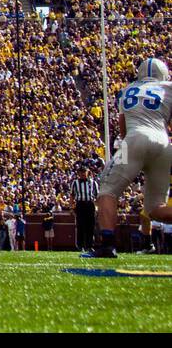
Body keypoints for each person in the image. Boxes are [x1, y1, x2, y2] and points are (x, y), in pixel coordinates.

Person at [85, 58, 172, 259]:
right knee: (155, 208)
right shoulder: (168, 88)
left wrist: (132, 155)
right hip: (164, 144)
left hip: (135, 138)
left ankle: (106, 244)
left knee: (107, 190)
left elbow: (123, 130)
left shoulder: (128, 90)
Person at [71, 168, 98, 252]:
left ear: (87, 172)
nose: (82, 174)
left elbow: (97, 196)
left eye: (84, 172)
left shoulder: (93, 182)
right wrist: (71, 208)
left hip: (90, 204)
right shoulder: (75, 183)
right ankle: (80, 245)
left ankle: (89, 246)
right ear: (78, 173)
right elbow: (72, 196)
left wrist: (97, 208)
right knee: (80, 225)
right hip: (80, 204)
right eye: (80, 172)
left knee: (90, 226)